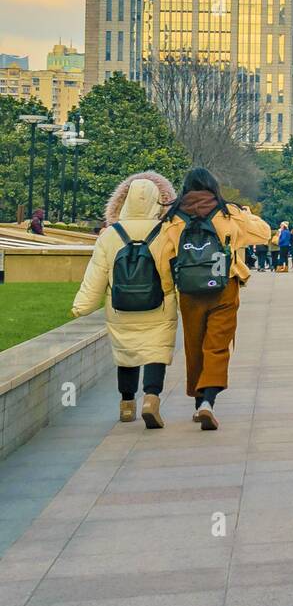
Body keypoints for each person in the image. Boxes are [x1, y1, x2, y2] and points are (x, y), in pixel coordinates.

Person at [157, 167, 270, 430]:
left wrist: (166, 291)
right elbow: (264, 233)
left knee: (194, 345)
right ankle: (208, 401)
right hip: (223, 287)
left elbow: (164, 258)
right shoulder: (227, 213)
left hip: (188, 290)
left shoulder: (173, 217)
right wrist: (247, 215)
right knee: (217, 344)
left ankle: (199, 402)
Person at [71, 172, 177, 428]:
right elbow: (176, 273)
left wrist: (82, 306)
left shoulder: (110, 235)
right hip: (159, 306)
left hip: (120, 308)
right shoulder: (166, 233)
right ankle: (151, 397)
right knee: (156, 352)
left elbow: (96, 274)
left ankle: (127, 403)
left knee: (127, 353)